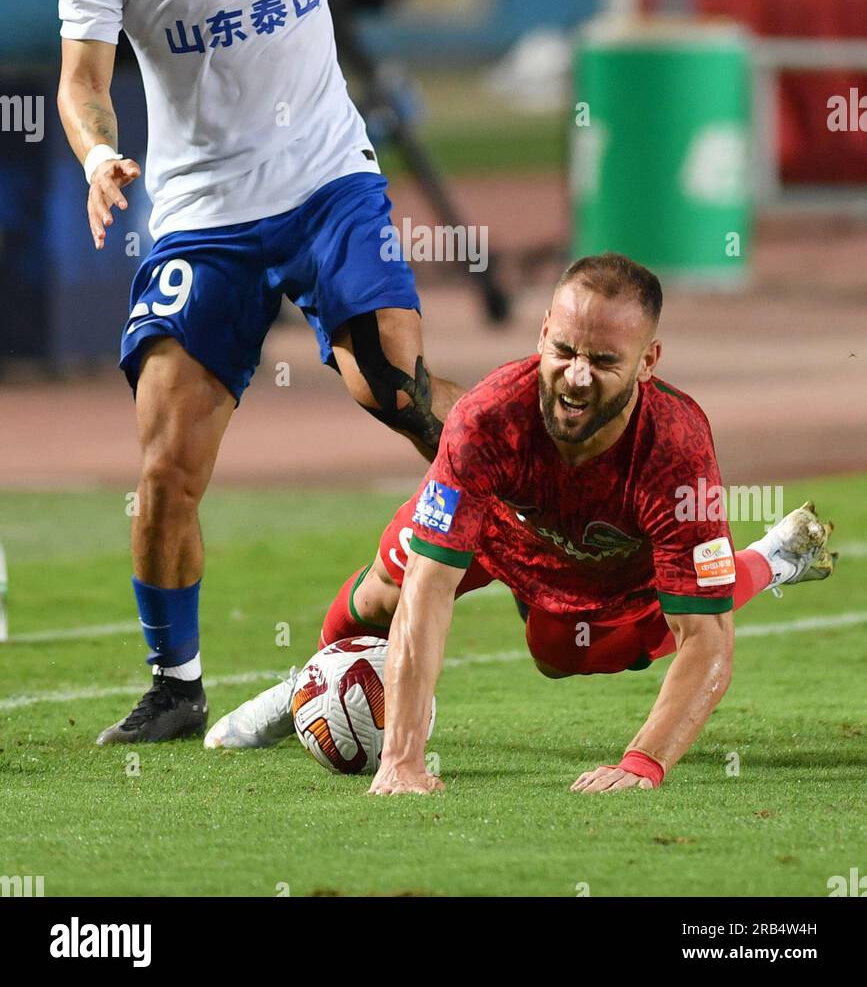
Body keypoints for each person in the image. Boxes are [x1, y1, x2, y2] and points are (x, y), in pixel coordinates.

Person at [55, 0, 464, 747]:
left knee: (394, 386)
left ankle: (530, 493)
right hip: (204, 213)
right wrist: (101, 152)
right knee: (165, 469)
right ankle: (174, 682)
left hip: (327, 173)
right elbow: (83, 78)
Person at [206, 253, 837, 796]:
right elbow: (429, 587)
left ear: (650, 361)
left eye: (604, 360)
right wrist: (403, 761)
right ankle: (305, 693)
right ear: (542, 334)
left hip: (598, 575)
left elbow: (707, 639)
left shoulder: (676, 453)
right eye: (563, 350)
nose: (577, 375)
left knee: (556, 655)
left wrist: (643, 763)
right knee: (381, 591)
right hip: (492, 524)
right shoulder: (487, 419)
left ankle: (774, 558)